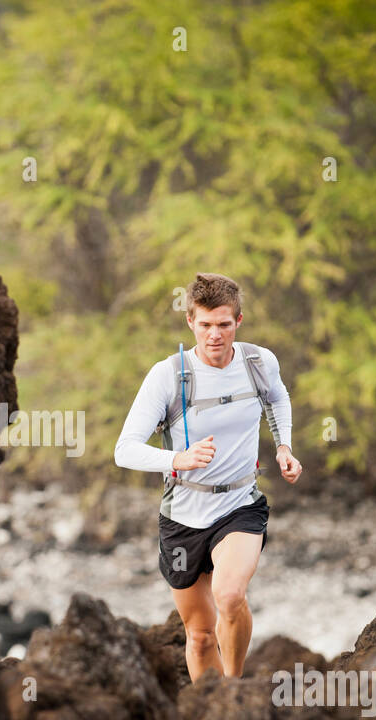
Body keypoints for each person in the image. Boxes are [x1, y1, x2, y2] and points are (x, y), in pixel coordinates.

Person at [114, 272, 302, 682]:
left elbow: (278, 397)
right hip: (183, 515)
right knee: (199, 636)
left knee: (230, 595)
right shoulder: (168, 375)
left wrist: (283, 445)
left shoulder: (258, 362)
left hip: (239, 505)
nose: (214, 335)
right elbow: (124, 449)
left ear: (238, 321)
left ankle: (234, 688)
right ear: (190, 323)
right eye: (205, 325)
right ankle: (208, 710)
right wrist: (177, 459)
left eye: (223, 324)